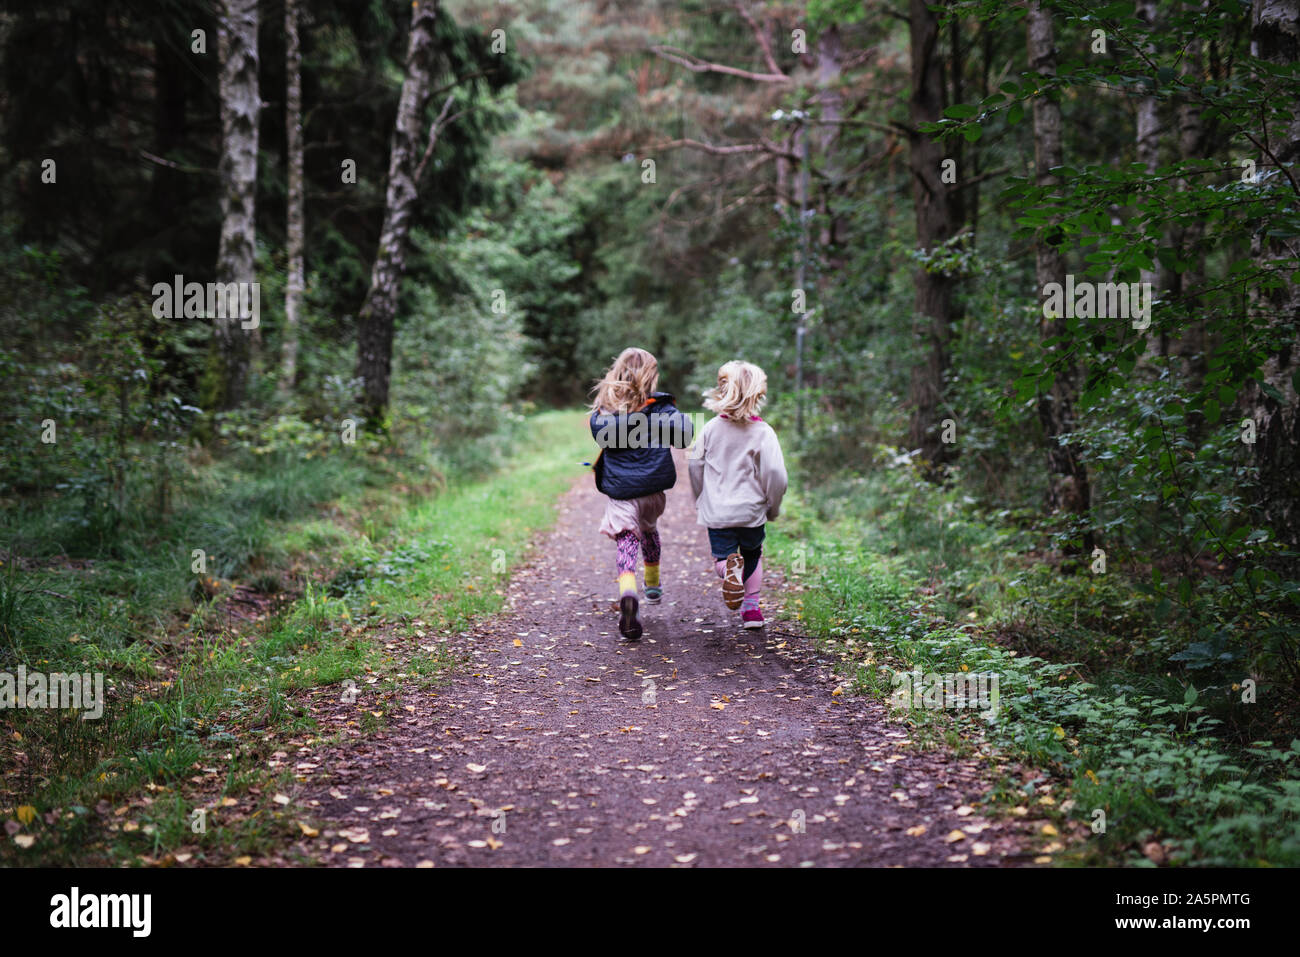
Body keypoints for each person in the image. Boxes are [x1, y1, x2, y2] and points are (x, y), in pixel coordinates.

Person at [589, 347, 693, 641]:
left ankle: (628, 591)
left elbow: (601, 434)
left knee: (626, 539)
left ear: (618, 374)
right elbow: (684, 433)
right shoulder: (662, 407)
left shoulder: (606, 410)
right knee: (649, 530)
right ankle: (653, 582)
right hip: (653, 491)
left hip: (623, 491)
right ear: (652, 376)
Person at [688, 360, 786, 629]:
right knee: (753, 554)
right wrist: (773, 506)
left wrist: (701, 497)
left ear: (722, 390)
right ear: (758, 395)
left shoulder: (709, 429)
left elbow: (695, 464)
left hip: (718, 511)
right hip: (751, 511)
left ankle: (729, 570)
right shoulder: (763, 432)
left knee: (724, 557)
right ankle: (752, 611)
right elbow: (776, 473)